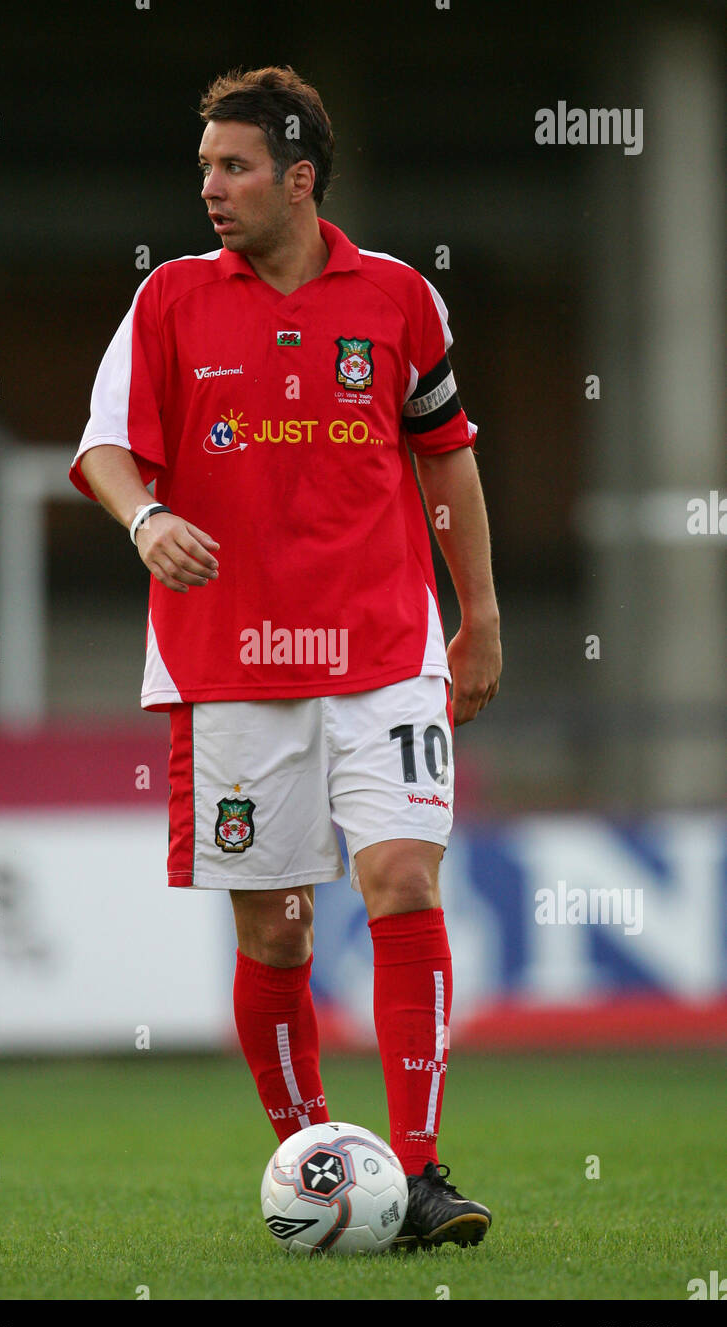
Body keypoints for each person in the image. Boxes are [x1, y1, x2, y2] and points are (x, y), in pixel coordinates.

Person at [70, 65, 502, 1250]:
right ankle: (318, 1165)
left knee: (401, 879)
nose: (210, 187)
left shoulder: (399, 297)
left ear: (298, 178)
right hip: (230, 665)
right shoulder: (168, 298)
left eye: (234, 166)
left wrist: (477, 615)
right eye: (204, 167)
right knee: (276, 934)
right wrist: (145, 519)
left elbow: (446, 456)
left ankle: (419, 1170)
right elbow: (104, 449)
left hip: (384, 651)